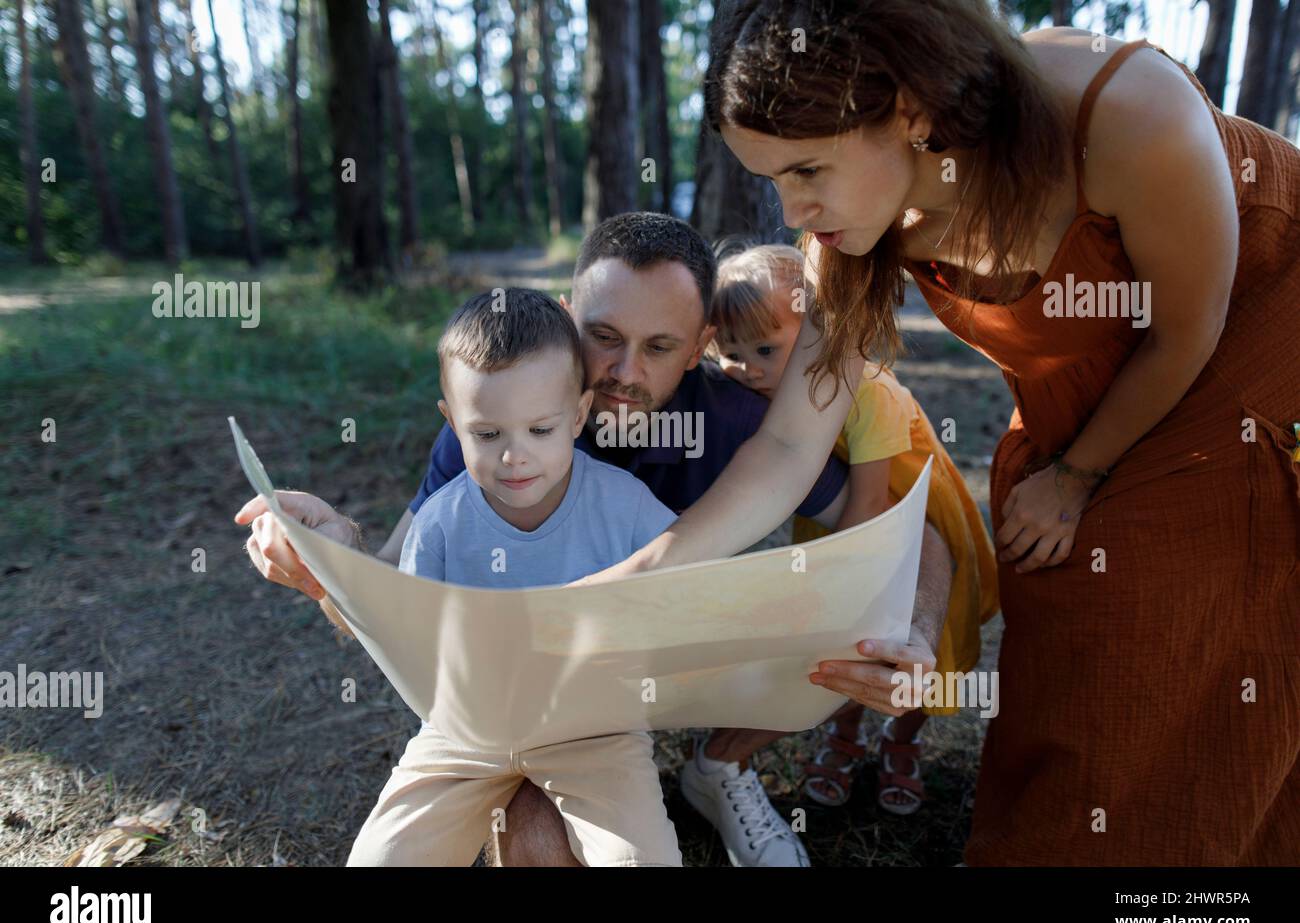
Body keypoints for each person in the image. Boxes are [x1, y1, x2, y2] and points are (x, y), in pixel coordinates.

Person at [575, 5, 1300, 866]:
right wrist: (640, 578)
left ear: (914, 110)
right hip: (1089, 382)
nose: (793, 209)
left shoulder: (1126, 114)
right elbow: (786, 446)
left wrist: (1075, 477)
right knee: (1064, 615)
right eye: (770, 177)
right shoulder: (847, 230)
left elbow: (1187, 330)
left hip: (1247, 351)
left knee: (1160, 638)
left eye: (807, 169)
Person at [237, 212, 959, 866]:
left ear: (704, 345)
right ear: (566, 314)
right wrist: (329, 556)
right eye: (604, 338)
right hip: (499, 713)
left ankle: (718, 769)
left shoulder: (739, 424)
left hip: (616, 723)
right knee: (536, 840)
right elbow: (395, 593)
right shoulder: (500, 425)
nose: (623, 374)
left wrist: (917, 628)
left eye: (659, 348)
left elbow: (915, 537)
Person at [345, 287, 686, 866]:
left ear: (578, 414)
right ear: (452, 424)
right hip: (466, 734)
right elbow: (405, 633)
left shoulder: (627, 505)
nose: (514, 456)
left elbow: (694, 588)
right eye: (487, 434)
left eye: (540, 430)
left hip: (595, 731)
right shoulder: (440, 523)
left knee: (640, 862)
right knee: (382, 860)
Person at [704, 242, 997, 816]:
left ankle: (904, 741)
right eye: (730, 353)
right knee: (855, 648)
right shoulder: (764, 392)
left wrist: (825, 589)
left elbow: (868, 506)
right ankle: (844, 737)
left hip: (907, 523)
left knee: (908, 643)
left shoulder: (869, 394)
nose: (748, 369)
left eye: (766, 349)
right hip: (839, 529)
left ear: (817, 329)